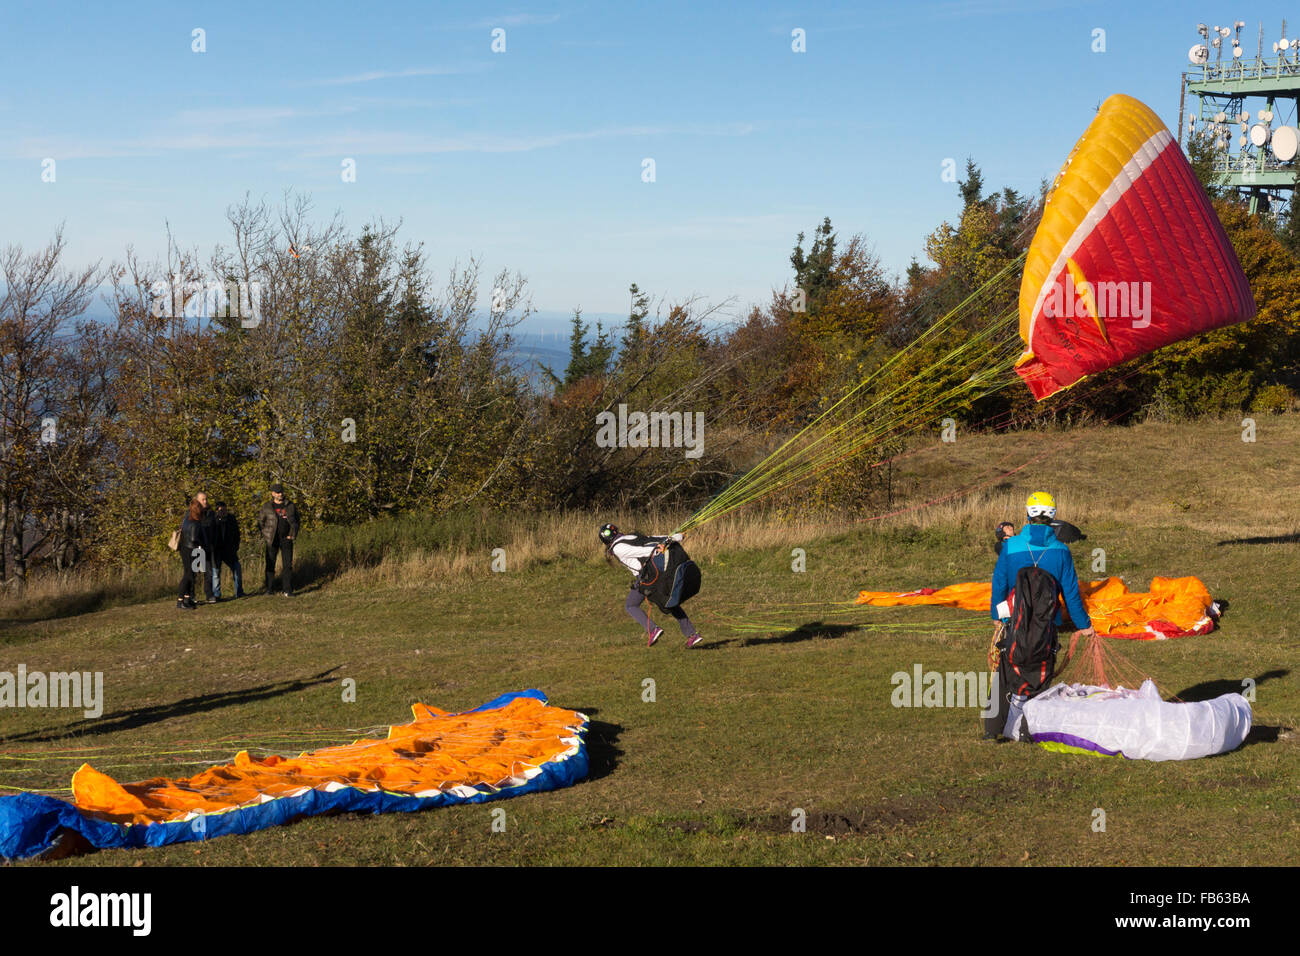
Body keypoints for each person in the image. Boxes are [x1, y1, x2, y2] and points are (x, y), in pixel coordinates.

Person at [985, 492, 1096, 741]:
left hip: (1014, 623)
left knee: (1003, 674)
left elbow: (999, 583)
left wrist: (996, 615)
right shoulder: (1062, 551)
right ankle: (1030, 729)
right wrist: (1084, 625)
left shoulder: (1010, 546)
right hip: (1046, 627)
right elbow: (1071, 595)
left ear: (1028, 514)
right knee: (1041, 676)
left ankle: (992, 729)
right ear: (1053, 517)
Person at [600, 523, 703, 648]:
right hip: (652, 572)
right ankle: (692, 635)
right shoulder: (630, 536)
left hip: (646, 577)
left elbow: (642, 550)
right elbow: (652, 538)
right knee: (668, 602)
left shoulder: (617, 548)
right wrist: (675, 537)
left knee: (631, 605)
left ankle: (653, 630)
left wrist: (658, 547)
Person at [260, 483, 299, 596]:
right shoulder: (267, 506)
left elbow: (296, 521)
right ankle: (269, 589)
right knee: (270, 564)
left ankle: (287, 590)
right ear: (273, 494)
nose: (280, 494)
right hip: (272, 540)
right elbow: (260, 522)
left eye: (281, 491)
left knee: (287, 565)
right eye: (277, 492)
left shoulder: (290, 505)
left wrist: (292, 535)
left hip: (286, 539)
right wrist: (266, 535)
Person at [176, 497, 205, 610]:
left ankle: (187, 599)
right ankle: (180, 600)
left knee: (190, 575)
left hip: (185, 548)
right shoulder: (195, 522)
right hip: (192, 550)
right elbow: (194, 538)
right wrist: (202, 543)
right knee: (189, 575)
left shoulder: (186, 519)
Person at [211, 501, 244, 599]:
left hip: (230, 549)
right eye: (221, 510)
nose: (224, 512)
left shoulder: (231, 519)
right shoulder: (213, 520)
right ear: (217, 511)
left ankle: (239, 592)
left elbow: (237, 533)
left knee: (236, 568)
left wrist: (235, 546)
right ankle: (216, 594)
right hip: (217, 550)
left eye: (225, 509)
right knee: (216, 572)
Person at [196, 492, 217, 603]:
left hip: (208, 547)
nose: (205, 501)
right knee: (194, 572)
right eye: (203, 499)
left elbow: (214, 529)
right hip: (196, 547)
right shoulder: (193, 514)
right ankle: (190, 595)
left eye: (206, 499)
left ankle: (209, 595)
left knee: (208, 572)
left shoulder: (211, 513)